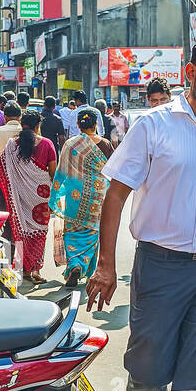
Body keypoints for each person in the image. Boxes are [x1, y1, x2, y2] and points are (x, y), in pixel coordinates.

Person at [88, 34, 196, 391]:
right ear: (191, 72)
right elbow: (115, 195)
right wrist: (106, 265)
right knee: (147, 372)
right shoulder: (152, 126)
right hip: (160, 266)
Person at [51, 108, 112, 287]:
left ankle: (75, 264)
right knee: (93, 230)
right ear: (96, 124)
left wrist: (55, 195)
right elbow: (113, 169)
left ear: (78, 125)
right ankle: (85, 266)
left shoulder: (70, 144)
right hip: (97, 196)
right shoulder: (106, 144)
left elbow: (62, 171)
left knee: (72, 230)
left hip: (74, 195)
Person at [0, 109, 58, 283]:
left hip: (18, 197)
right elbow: (53, 173)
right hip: (41, 197)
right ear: (38, 126)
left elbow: (3, 171)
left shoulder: (11, 146)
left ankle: (24, 270)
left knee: (20, 230)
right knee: (40, 232)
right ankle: (36, 270)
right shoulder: (47, 144)